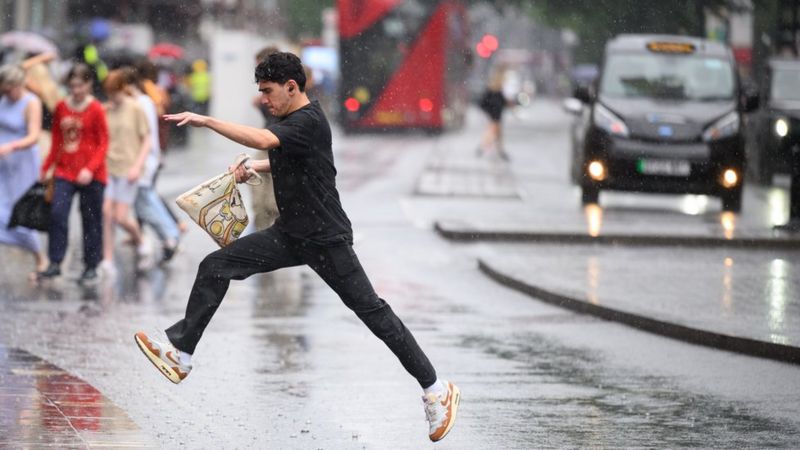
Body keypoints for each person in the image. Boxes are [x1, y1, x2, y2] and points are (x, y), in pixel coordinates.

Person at [134, 52, 460, 442]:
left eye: (268, 92)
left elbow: (264, 140)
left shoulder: (307, 120)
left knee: (374, 313)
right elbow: (291, 158)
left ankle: (436, 389)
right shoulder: (293, 121)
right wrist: (255, 168)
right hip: (290, 234)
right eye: (260, 92)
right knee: (216, 266)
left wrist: (206, 120)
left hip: (325, 238)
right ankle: (181, 353)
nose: (263, 100)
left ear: (293, 86)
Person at [38, 63, 108, 282]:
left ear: (88, 85)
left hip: (92, 174)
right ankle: (55, 261)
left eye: (80, 85)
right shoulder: (61, 106)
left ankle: (91, 265)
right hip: (65, 170)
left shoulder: (95, 108)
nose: (76, 90)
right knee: (58, 213)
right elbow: (57, 139)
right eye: (72, 86)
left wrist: (90, 168)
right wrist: (46, 166)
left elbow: (103, 142)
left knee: (90, 219)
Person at [125, 67, 181, 263]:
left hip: (144, 159)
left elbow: (146, 133)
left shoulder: (141, 102)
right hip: (149, 157)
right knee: (145, 201)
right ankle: (168, 235)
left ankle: (170, 234)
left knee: (146, 201)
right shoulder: (149, 99)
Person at [99, 69, 151, 275]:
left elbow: (146, 139)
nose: (112, 97)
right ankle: (108, 259)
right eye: (108, 93)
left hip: (129, 168)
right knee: (106, 213)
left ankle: (141, 240)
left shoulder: (136, 108)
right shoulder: (106, 110)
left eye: (114, 92)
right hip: (108, 167)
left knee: (121, 217)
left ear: (122, 89)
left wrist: (138, 166)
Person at [0, 64, 46, 275]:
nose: (8, 94)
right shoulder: (3, 100)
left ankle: (39, 256)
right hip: (3, 162)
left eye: (10, 89)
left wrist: (12, 146)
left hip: (22, 160)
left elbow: (34, 135)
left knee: (20, 213)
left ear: (18, 85)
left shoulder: (31, 102)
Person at [250, 46, 281, 230]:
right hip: (266, 143)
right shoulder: (267, 90)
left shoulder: (283, 89)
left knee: (272, 204)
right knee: (260, 203)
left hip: (276, 143)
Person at [477, 67, 511, 160]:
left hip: (496, 116)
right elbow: (483, 104)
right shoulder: (492, 92)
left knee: (495, 134)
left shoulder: (498, 92)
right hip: (493, 117)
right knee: (493, 134)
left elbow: (502, 103)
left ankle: (495, 150)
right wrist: (490, 112)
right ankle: (484, 149)